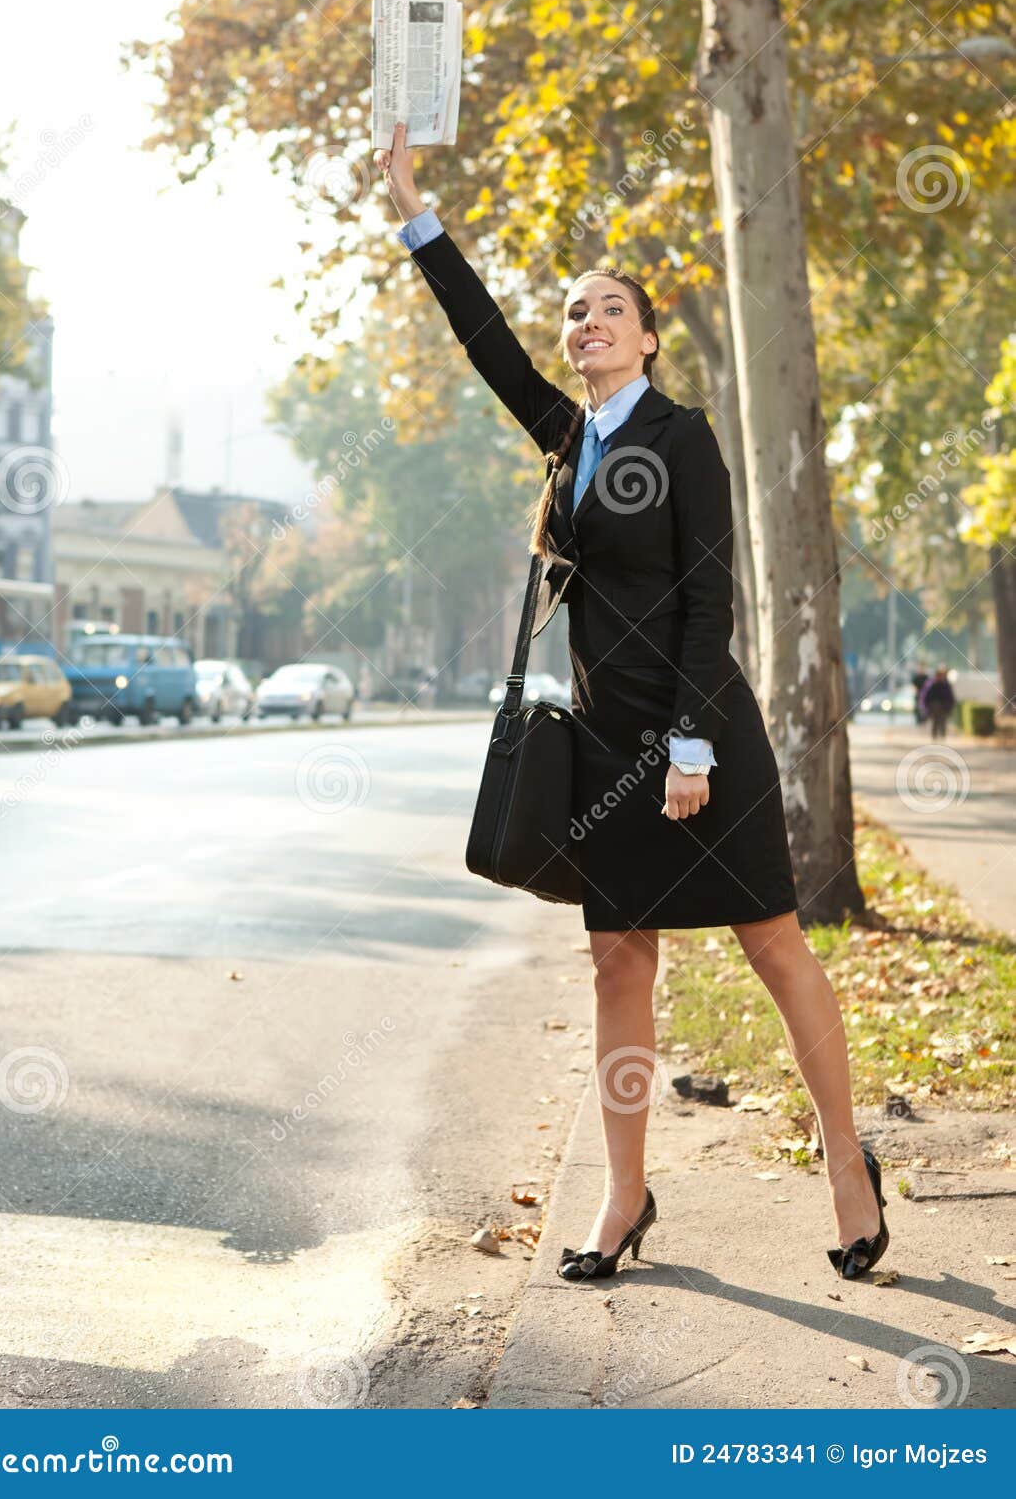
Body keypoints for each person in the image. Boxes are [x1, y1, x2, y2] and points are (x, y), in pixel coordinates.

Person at [375, 122, 889, 1284]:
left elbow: (714, 599)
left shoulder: (684, 437)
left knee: (770, 943)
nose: (584, 323)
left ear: (648, 339)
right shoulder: (566, 440)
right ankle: (621, 1197)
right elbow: (485, 344)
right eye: (575, 311)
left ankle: (846, 1162)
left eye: (608, 309)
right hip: (608, 738)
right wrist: (417, 215)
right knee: (617, 961)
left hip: (702, 728)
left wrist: (694, 745)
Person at [921, 666, 956, 739]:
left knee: (942, 721)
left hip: (943, 706)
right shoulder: (932, 684)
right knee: (936, 721)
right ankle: (935, 736)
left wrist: (950, 705)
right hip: (934, 706)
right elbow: (927, 696)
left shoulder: (946, 684)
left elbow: (950, 696)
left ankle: (942, 736)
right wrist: (926, 706)